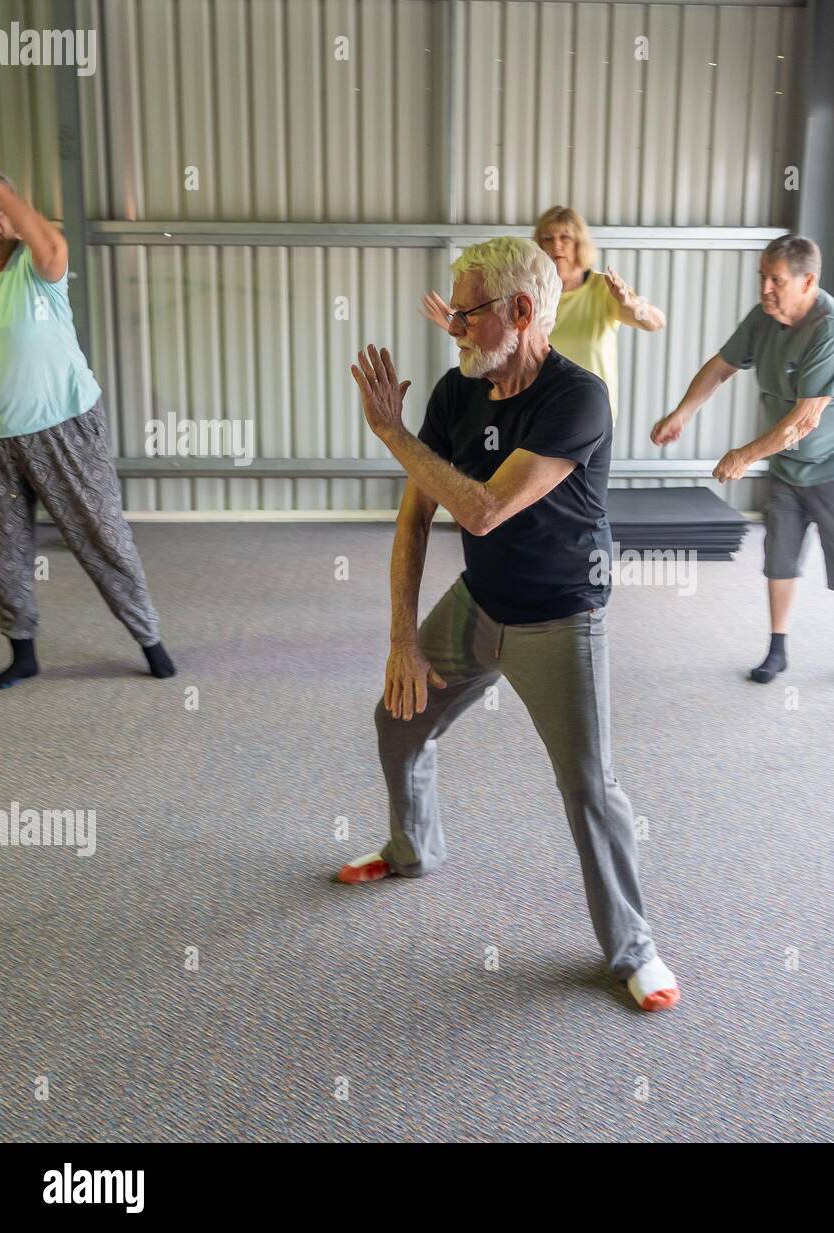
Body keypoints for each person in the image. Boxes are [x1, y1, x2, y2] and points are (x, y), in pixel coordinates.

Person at [341, 236, 679, 1013]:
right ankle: (410, 849)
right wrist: (400, 641)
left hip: (560, 616)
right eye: (454, 313)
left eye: (467, 314)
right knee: (398, 719)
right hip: (479, 602)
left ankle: (633, 949)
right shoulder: (456, 393)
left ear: (521, 312)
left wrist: (391, 436)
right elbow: (416, 517)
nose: (453, 327)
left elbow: (484, 510)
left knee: (588, 785)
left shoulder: (578, 396)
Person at [652, 233, 834, 690]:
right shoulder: (765, 317)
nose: (765, 288)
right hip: (787, 464)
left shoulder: (832, 330)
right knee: (779, 557)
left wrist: (743, 455)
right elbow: (722, 366)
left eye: (776, 279)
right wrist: (681, 413)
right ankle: (777, 649)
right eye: (762, 277)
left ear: (808, 282)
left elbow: (803, 420)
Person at [0, 170, 174, 689]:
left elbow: (50, 240)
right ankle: (22, 652)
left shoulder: (34, 266)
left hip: (63, 428)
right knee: (5, 553)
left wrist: (2, 188)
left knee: (102, 536)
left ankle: (149, 640)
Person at [421, 206, 664, 422]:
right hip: (534, 404)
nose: (556, 245)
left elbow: (655, 323)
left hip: (587, 409)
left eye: (565, 237)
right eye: (548, 238)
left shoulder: (603, 289)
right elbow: (507, 340)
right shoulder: (527, 291)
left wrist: (631, 304)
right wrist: (463, 323)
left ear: (580, 243)